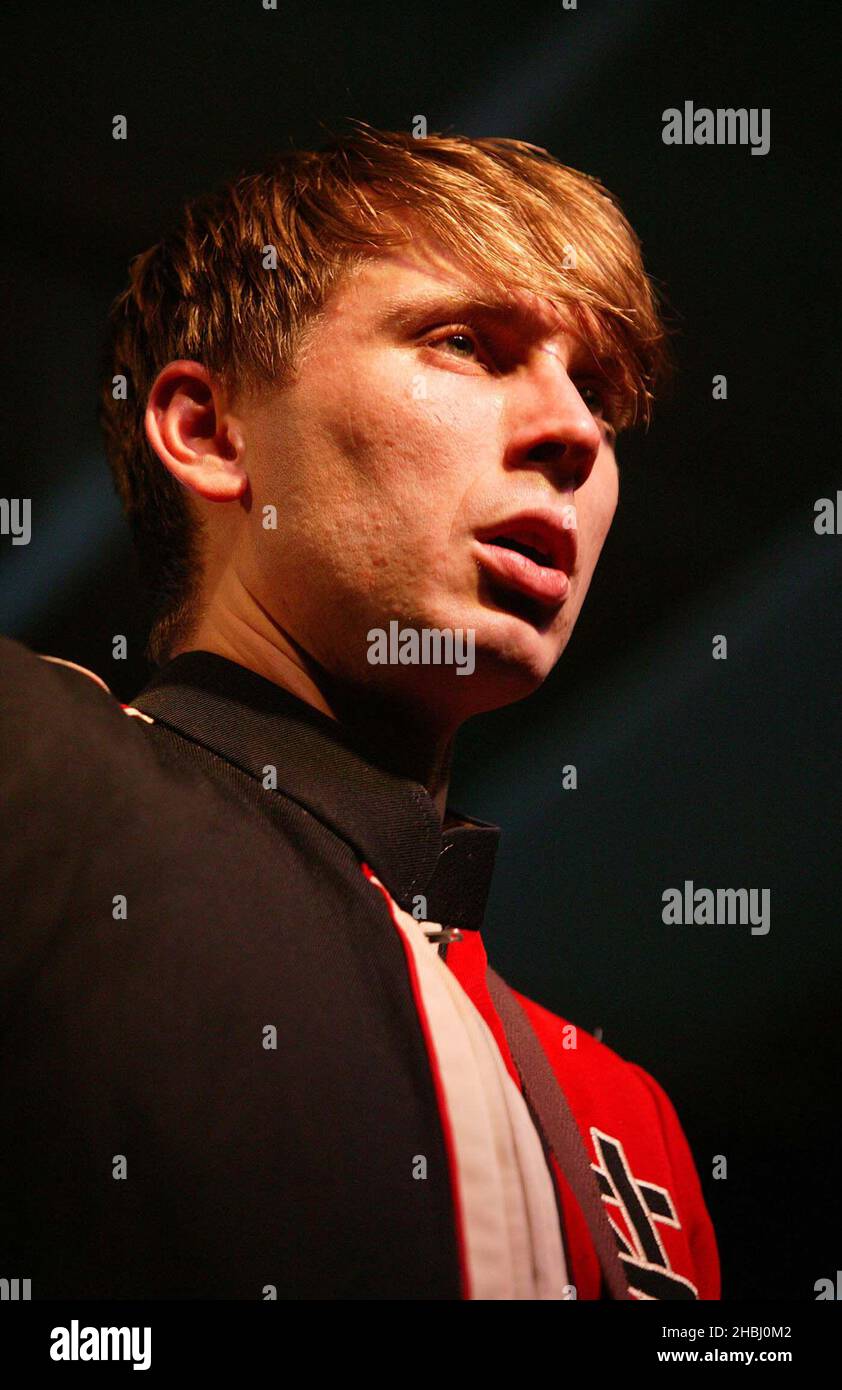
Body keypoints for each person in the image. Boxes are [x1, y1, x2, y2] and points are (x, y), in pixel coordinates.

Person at [0, 123, 719, 1300]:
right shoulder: (31, 773)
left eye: (595, 389)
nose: (577, 432)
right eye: (464, 343)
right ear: (208, 432)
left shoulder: (628, 1118)